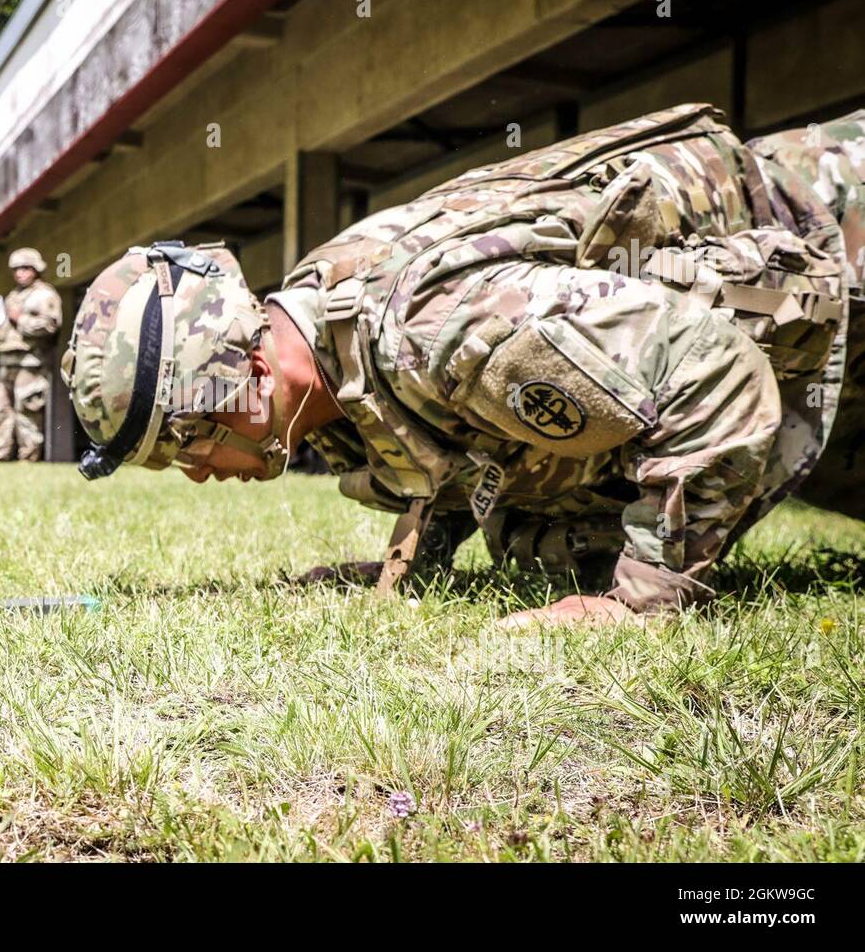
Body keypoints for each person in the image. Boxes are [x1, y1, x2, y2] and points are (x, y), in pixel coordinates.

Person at [61, 104, 865, 628]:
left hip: (838, 239)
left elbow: (713, 370)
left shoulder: (437, 331)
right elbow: (456, 441)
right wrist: (409, 567)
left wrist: (639, 603)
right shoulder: (324, 330)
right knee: (543, 538)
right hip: (817, 337)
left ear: (246, 378)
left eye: (186, 442)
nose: (198, 472)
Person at [0, 246, 63, 461]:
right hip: (7, 360)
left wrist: (19, 318)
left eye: (25, 268)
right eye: (16, 269)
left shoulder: (45, 295)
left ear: (36, 269)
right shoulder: (13, 296)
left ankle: (28, 457)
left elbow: (50, 325)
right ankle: (0, 456)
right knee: (2, 411)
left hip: (31, 361)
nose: (20, 273)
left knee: (27, 410)